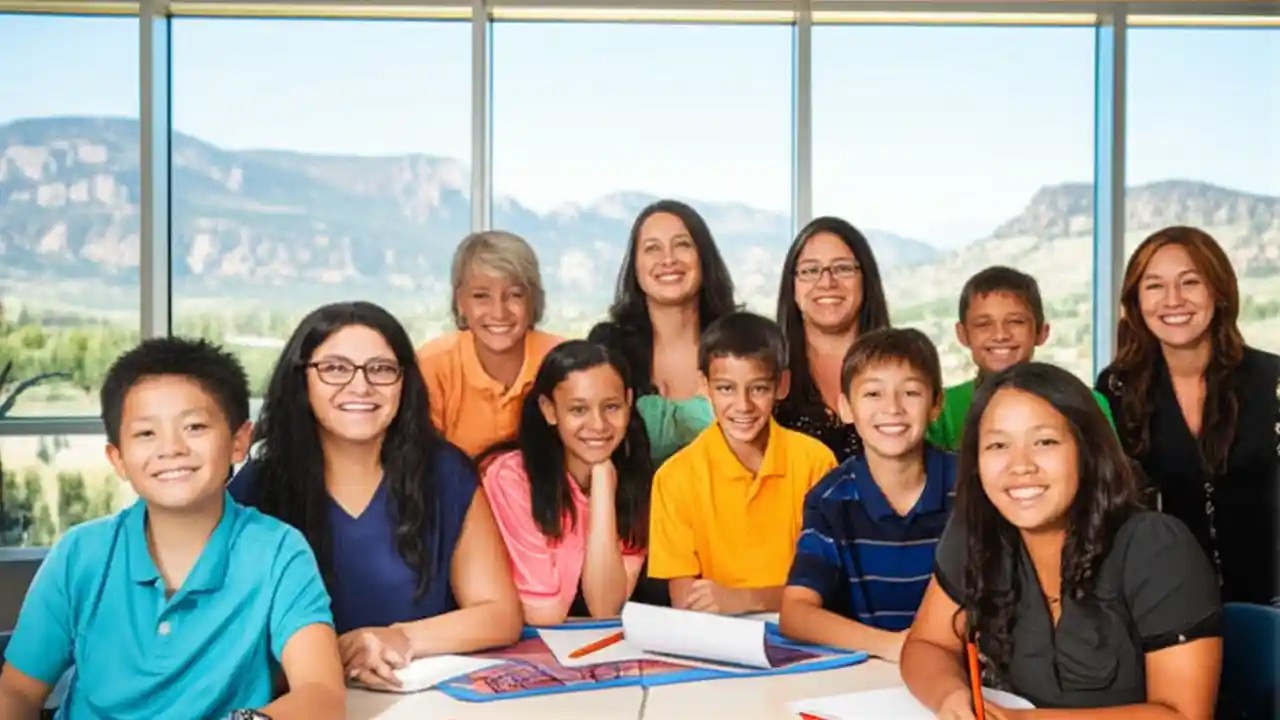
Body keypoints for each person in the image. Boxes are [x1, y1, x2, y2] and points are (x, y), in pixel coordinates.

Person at [0, 338, 344, 720]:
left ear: (238, 442)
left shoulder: (278, 552)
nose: (172, 448)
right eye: (146, 433)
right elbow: (18, 689)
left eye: (194, 427)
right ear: (118, 459)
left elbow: (321, 695)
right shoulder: (80, 553)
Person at [902, 362, 1222, 717]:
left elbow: (1185, 714)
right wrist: (950, 695)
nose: (1020, 465)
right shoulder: (978, 529)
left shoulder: (1157, 547)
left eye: (1044, 442)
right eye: (997, 445)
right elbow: (928, 644)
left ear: (1087, 451)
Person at [231, 301, 522, 691]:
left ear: (405, 381)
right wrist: (331, 655)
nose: (360, 385)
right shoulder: (259, 486)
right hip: (300, 704)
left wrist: (400, 638)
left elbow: (499, 614)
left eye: (381, 369)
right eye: (334, 368)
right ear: (301, 379)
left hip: (423, 704)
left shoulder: (444, 472)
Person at [1097, 226, 1280, 606]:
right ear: (1135, 301)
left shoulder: (1271, 379)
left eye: (1190, 282)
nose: (1173, 300)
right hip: (1168, 608)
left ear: (1219, 291)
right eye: (1154, 286)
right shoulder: (1117, 388)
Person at [780, 328, 956, 663]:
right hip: (871, 671)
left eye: (911, 393)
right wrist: (894, 646)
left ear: (936, 404)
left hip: (964, 669)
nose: (892, 408)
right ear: (846, 408)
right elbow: (796, 614)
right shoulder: (830, 500)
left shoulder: (969, 489)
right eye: (873, 394)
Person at [648, 311, 837, 615]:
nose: (743, 405)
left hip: (805, 630)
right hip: (716, 636)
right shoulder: (674, 478)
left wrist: (746, 600)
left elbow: (829, 585)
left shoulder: (815, 461)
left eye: (758, 388)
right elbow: (685, 600)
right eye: (726, 389)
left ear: (782, 385)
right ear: (703, 385)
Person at [480, 340, 662, 625]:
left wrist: (603, 487)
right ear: (549, 410)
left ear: (628, 401)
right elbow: (544, 613)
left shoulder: (635, 477)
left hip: (583, 641)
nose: (598, 425)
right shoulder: (511, 477)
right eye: (578, 410)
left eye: (611, 407)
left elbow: (605, 607)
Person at [588, 199, 736, 465]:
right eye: (652, 248)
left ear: (704, 258)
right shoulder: (608, 347)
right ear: (635, 266)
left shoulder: (739, 343)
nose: (668, 259)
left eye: (682, 244)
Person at [927, 266, 1114, 451]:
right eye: (983, 324)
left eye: (1016, 322)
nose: (1000, 335)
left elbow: (1110, 473)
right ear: (962, 334)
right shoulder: (942, 409)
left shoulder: (1089, 403)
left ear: (1041, 331)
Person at [417, 230, 562, 458]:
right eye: (481, 296)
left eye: (514, 295)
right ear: (460, 302)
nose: (499, 312)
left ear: (533, 300)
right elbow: (419, 462)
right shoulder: (433, 364)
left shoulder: (562, 359)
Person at [775, 216, 891, 461]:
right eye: (810, 271)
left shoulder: (901, 366)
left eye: (843, 268)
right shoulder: (768, 371)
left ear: (866, 280)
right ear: (792, 286)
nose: (827, 282)